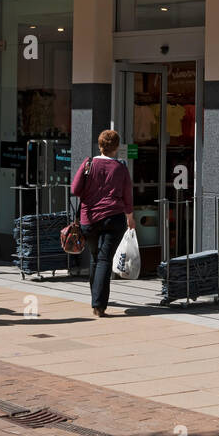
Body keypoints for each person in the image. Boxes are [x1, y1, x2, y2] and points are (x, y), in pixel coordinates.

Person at [70, 129, 135, 318]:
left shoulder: (88, 164)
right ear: (116, 147)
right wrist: (130, 217)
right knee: (104, 259)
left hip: (89, 219)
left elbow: (75, 189)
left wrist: (92, 194)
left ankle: (96, 300)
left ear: (100, 145)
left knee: (96, 258)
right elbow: (127, 196)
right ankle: (98, 305)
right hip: (113, 218)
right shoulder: (121, 168)